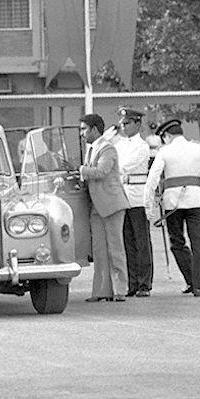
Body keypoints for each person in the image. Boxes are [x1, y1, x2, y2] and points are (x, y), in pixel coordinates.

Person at [144, 119, 200, 296]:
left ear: (166, 136)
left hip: (173, 203)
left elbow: (153, 179)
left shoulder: (165, 151)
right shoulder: (198, 149)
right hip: (196, 200)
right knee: (199, 243)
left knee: (177, 243)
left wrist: (148, 207)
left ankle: (192, 281)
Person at [79, 114, 130, 302]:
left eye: (84, 129)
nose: (82, 133)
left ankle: (120, 290)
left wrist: (81, 171)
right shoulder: (91, 149)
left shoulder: (107, 148)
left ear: (94, 129)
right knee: (99, 250)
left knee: (115, 249)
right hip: (96, 206)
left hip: (112, 205)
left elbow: (101, 171)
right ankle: (101, 291)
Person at [114, 108, 153, 297]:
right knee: (127, 242)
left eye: (127, 123)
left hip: (137, 195)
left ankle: (145, 283)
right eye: (122, 123)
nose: (124, 127)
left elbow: (123, 165)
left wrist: (115, 165)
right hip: (123, 195)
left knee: (141, 241)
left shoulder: (142, 146)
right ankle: (132, 283)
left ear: (138, 124)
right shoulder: (120, 144)